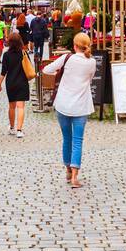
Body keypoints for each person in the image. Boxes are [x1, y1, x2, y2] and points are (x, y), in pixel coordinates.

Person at [44, 32, 97, 188]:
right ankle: (74, 176)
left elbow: (46, 69)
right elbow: (90, 78)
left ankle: (68, 169)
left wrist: (57, 72)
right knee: (78, 141)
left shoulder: (67, 58)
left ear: (74, 46)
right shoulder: (92, 62)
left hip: (63, 105)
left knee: (67, 138)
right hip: (81, 106)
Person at [0, 32, 30, 138]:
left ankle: (12, 127)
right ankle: (19, 130)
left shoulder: (6, 55)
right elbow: (29, 67)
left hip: (11, 82)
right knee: (21, 107)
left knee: (12, 107)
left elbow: (4, 71)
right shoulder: (24, 53)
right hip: (22, 82)